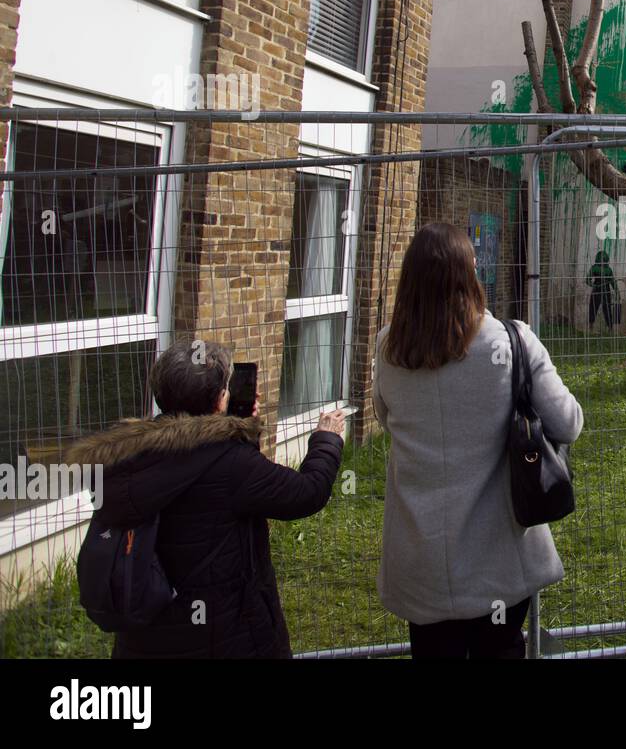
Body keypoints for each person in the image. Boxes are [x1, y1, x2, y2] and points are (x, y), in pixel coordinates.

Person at [374, 222, 583, 659]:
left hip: (420, 557)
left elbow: (383, 415)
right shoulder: (512, 341)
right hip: (498, 558)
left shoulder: (387, 350)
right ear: (471, 274)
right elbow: (568, 423)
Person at [70, 339, 345, 658]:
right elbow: (307, 493)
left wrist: (238, 431)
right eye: (227, 389)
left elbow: (210, 486)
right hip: (226, 637)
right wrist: (327, 438)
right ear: (218, 402)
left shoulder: (127, 453)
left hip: (147, 639)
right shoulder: (232, 464)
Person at [585, 250, 621, 328]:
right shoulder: (595, 268)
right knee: (594, 308)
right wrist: (593, 285)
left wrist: (617, 292)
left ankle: (610, 327)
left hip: (605, 291)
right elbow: (587, 280)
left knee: (606, 309)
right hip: (598, 290)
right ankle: (591, 325)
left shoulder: (607, 269)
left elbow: (612, 282)